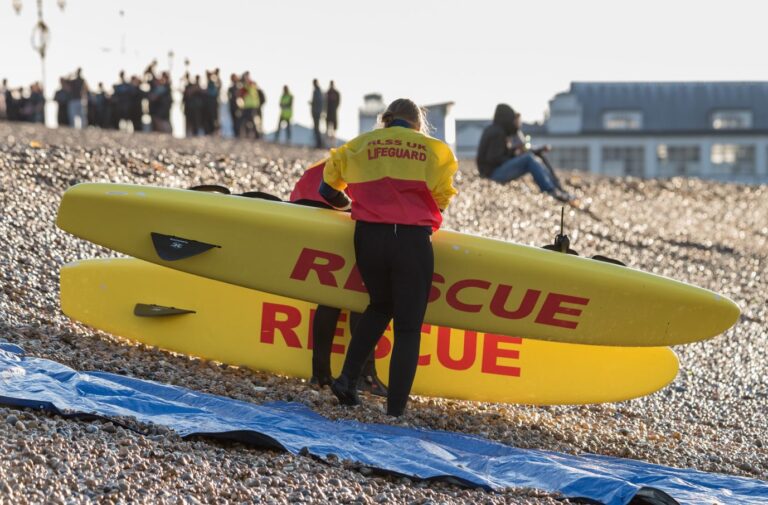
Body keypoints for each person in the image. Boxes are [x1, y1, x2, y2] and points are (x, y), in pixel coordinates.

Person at [319, 98, 458, 417]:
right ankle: (395, 411)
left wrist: (352, 206)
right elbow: (442, 201)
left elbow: (326, 191)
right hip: (410, 241)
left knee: (380, 305)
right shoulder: (433, 150)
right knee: (408, 327)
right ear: (417, 124)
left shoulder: (358, 146)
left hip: (368, 237)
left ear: (387, 120)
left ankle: (346, 379)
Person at [289, 160, 387, 397]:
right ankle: (365, 375)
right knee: (359, 293)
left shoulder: (351, 152)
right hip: (330, 210)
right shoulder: (381, 160)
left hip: (305, 212)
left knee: (331, 293)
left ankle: (320, 374)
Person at [476, 103, 575, 203]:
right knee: (528, 159)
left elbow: (499, 154)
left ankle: (557, 188)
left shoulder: (497, 130)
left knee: (535, 157)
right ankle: (550, 190)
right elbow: (493, 158)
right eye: (512, 119)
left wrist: (516, 153)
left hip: (492, 171)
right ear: (507, 119)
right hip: (492, 174)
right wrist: (514, 155)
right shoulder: (497, 132)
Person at [325, 81, 340, 147]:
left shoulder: (336, 93)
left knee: (334, 130)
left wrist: (335, 108)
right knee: (328, 129)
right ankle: (327, 144)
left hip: (333, 113)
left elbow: (338, 103)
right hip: (328, 113)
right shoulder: (327, 93)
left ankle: (333, 144)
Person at [310, 79, 324, 148]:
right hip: (316, 111)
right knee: (316, 128)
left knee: (317, 128)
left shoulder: (317, 91)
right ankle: (318, 143)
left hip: (316, 112)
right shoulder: (317, 91)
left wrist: (313, 104)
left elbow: (318, 102)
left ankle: (319, 144)